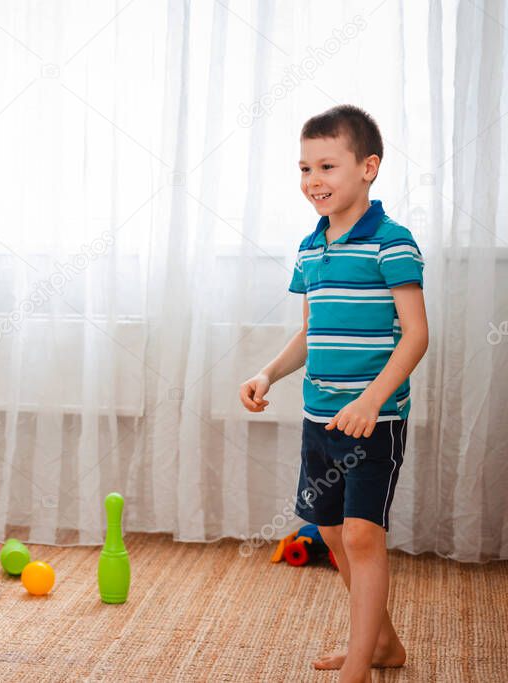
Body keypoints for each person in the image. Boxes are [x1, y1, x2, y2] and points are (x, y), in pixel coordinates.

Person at [239, 105, 427, 682]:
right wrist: (269, 373)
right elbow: (309, 331)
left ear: (368, 167)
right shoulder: (309, 248)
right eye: (304, 168)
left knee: (365, 535)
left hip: (375, 423)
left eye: (327, 165)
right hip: (318, 420)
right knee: (332, 533)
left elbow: (416, 335)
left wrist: (372, 400)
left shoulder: (391, 243)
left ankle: (358, 666)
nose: (313, 180)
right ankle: (385, 644)